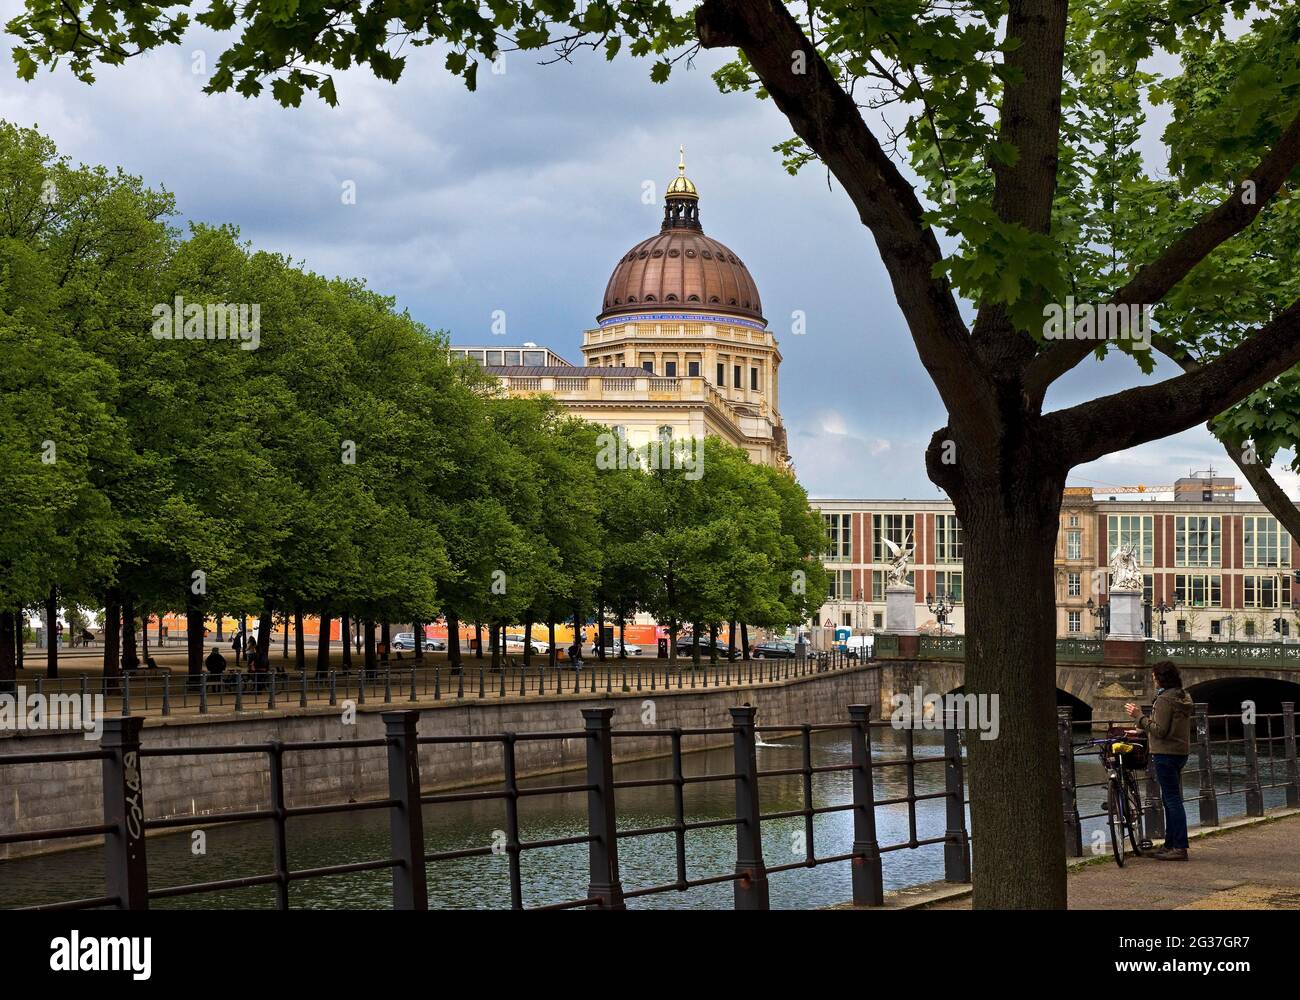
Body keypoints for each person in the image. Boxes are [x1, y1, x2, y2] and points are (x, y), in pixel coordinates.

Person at [1126, 660, 1193, 861]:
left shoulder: (1165, 699)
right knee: (1170, 798)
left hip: (1165, 753)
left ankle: (1179, 847)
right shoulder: (1182, 696)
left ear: (1162, 678)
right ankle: (1170, 844)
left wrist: (1138, 716)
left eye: (1155, 675)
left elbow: (1160, 730)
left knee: (1172, 800)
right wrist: (1141, 728)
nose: (1153, 678)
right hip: (1180, 752)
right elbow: (1166, 726)